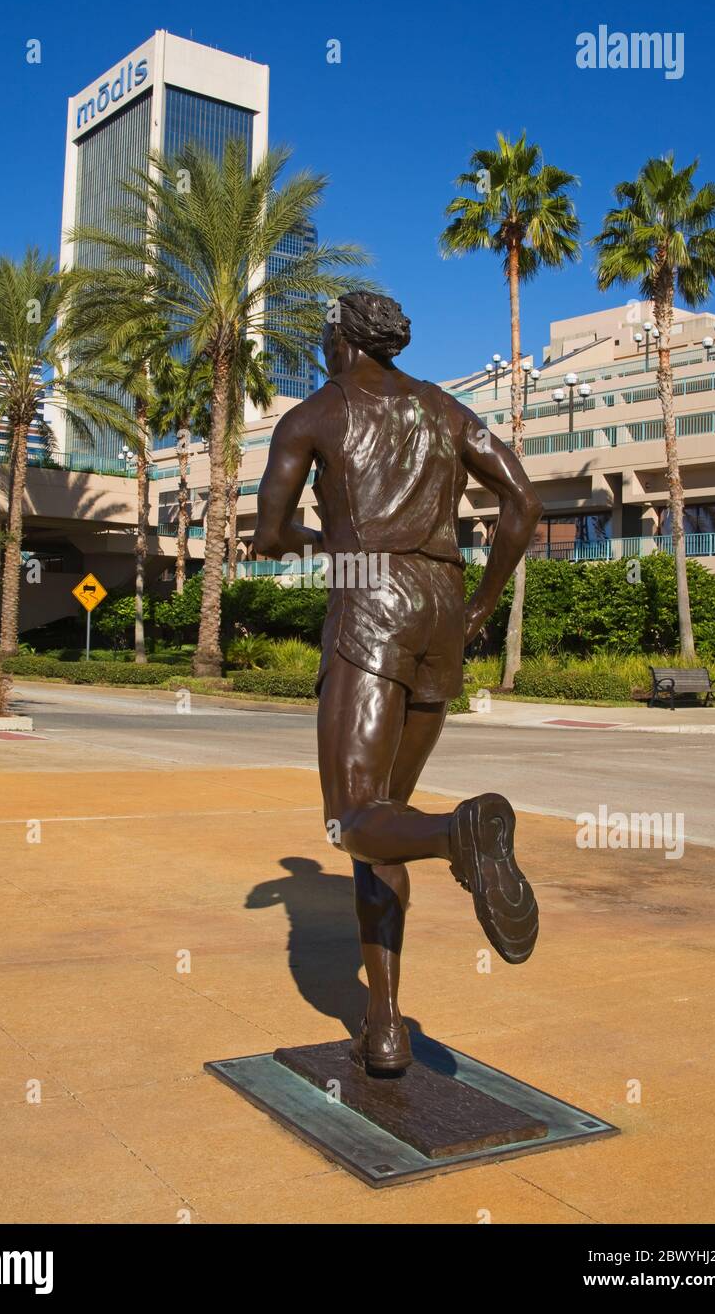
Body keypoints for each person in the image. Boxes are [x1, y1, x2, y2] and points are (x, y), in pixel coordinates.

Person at [253, 292, 542, 1075]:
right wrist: (482, 601)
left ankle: (461, 835)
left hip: (369, 599)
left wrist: (323, 538)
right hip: (445, 606)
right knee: (384, 823)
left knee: (352, 821)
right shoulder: (447, 410)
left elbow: (268, 533)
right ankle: (384, 1027)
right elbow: (525, 502)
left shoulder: (313, 415)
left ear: (340, 339)